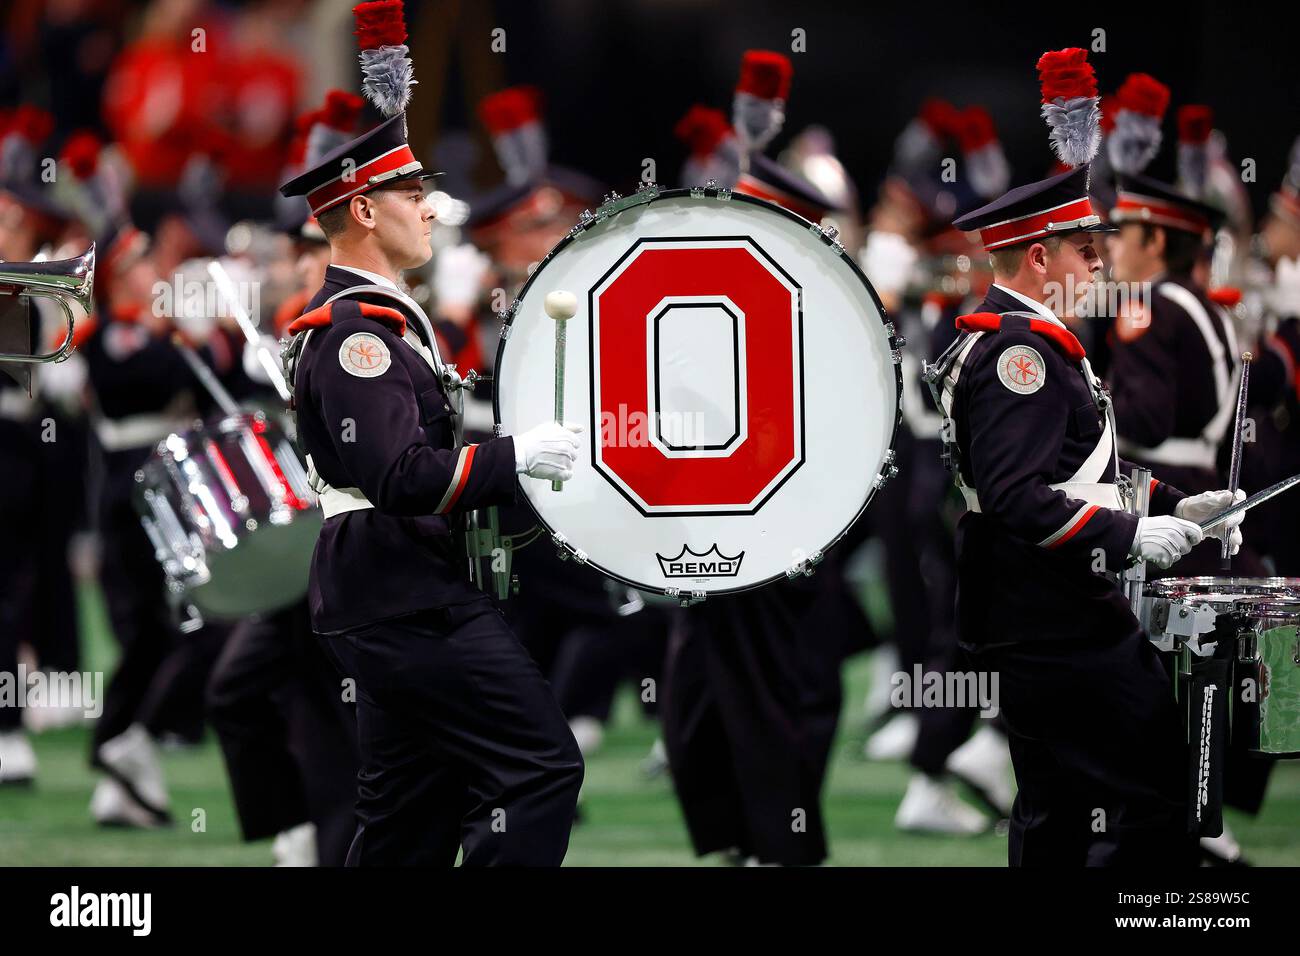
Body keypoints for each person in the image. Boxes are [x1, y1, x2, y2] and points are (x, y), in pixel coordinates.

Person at [932, 47, 1245, 865]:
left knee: (1064, 810)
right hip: (1052, 620)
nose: (1102, 265)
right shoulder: (1018, 358)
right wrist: (1127, 538)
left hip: (1050, 614)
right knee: (1156, 790)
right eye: (1086, 251)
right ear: (1039, 258)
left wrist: (1178, 507)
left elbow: (1084, 471)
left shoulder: (1035, 345)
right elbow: (1017, 498)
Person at [278, 110, 584, 866]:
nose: (430, 208)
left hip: (392, 589)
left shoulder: (381, 323)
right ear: (363, 209)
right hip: (401, 593)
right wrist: (513, 456)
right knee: (540, 766)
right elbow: (400, 476)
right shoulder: (356, 338)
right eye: (411, 192)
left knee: (408, 814)